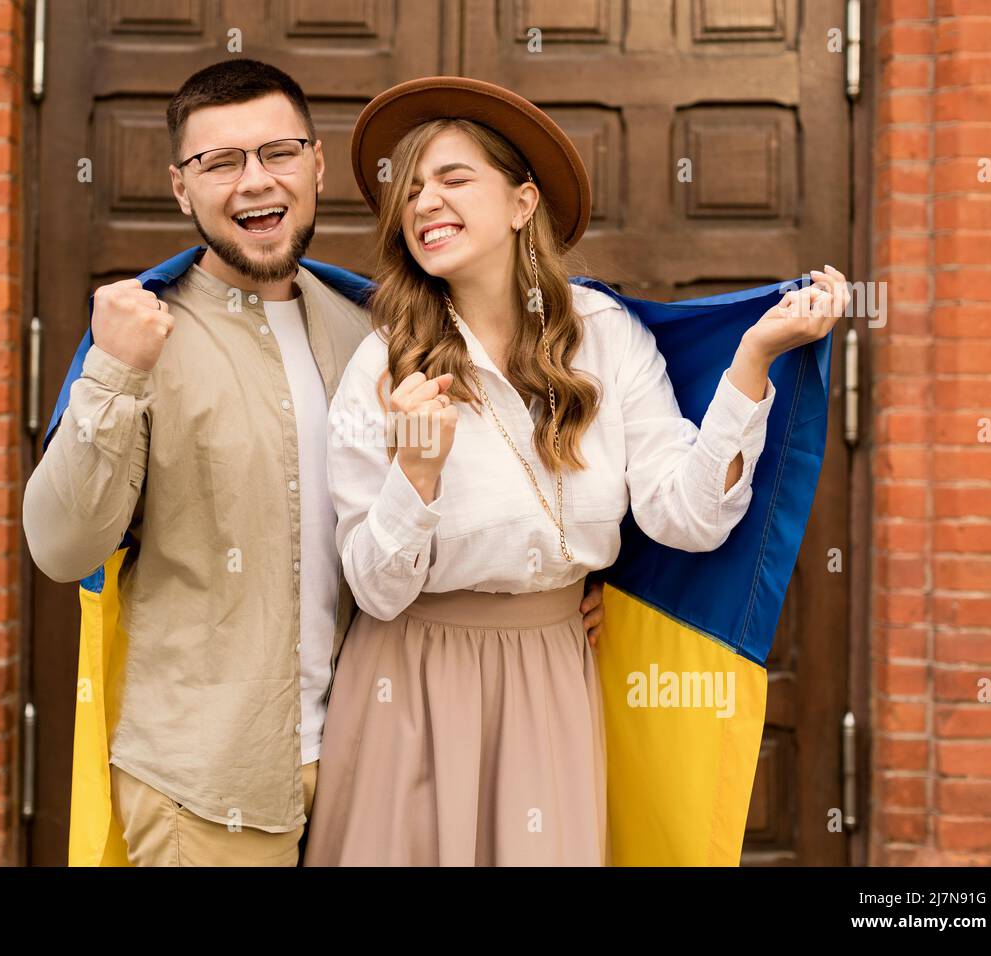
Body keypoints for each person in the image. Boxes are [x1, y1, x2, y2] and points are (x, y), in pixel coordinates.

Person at [303, 76, 848, 866]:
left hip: (553, 675)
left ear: (524, 203)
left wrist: (754, 358)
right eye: (411, 189)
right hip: (408, 682)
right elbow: (375, 587)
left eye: (454, 179)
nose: (424, 202)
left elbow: (686, 517)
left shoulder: (608, 337)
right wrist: (415, 474)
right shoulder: (380, 366)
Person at [23, 59, 374, 866]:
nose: (255, 182)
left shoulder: (370, 329)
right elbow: (60, 548)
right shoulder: (142, 337)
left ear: (316, 165)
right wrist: (113, 374)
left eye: (277, 153)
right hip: (207, 784)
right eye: (220, 162)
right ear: (182, 189)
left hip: (369, 763)